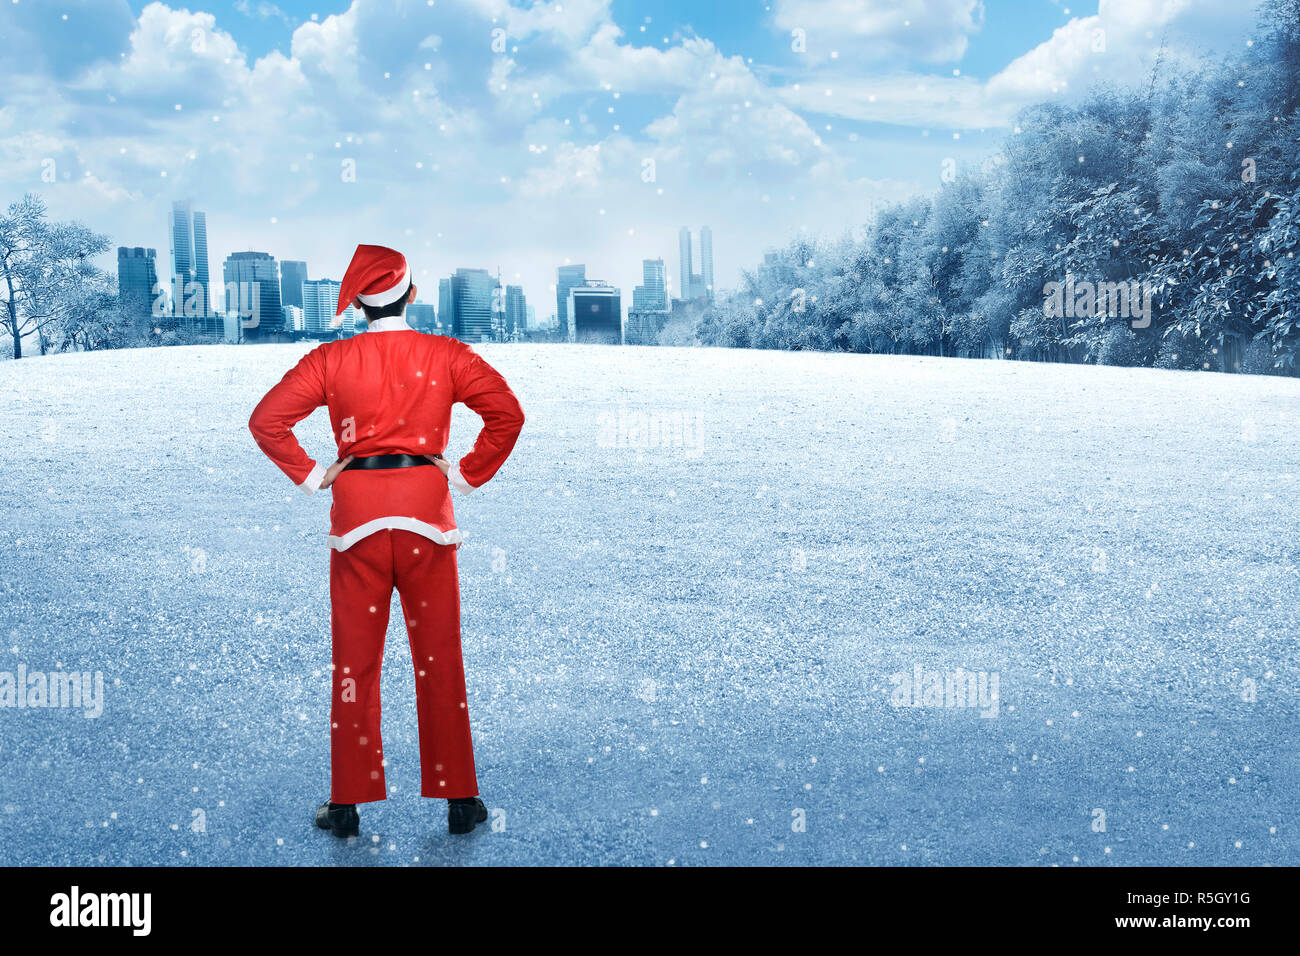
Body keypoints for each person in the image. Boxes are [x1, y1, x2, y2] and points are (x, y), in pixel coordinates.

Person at [248, 244, 524, 837]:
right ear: (412, 296)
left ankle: (346, 803)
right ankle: (459, 799)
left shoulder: (330, 360)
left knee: (355, 664)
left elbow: (266, 419)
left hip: (356, 526)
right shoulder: (446, 354)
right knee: (440, 660)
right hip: (428, 520)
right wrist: (467, 472)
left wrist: (312, 472)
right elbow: (508, 414)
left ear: (360, 308)